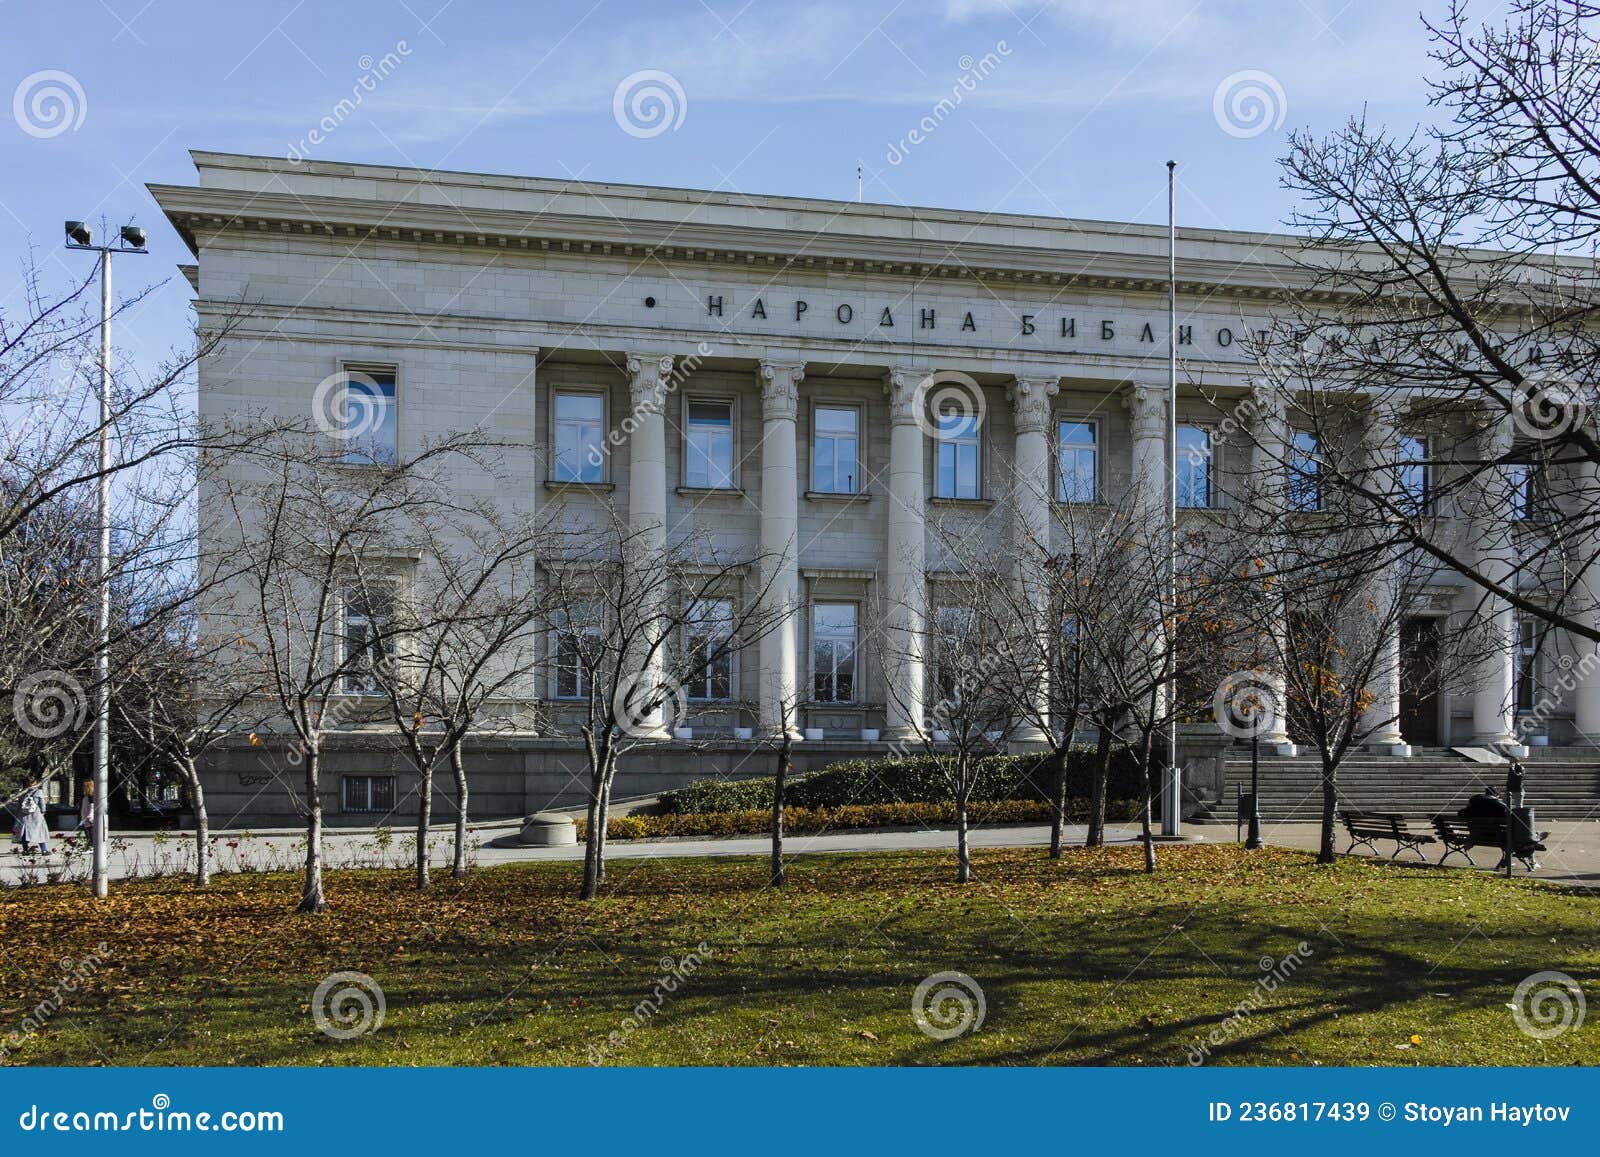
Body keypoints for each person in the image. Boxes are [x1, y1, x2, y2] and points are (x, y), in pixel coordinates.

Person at [12, 774, 50, 855]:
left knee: (24, 833)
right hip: (36, 815)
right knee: (40, 833)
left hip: (23, 816)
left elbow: (19, 805)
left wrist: (17, 814)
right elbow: (42, 805)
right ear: (35, 782)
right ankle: (44, 850)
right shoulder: (39, 792)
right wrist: (43, 812)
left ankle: (25, 850)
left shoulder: (22, 793)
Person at [78, 780, 96, 848]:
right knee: (87, 832)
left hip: (89, 818)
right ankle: (89, 845)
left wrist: (90, 816)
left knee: (90, 832)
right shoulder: (86, 796)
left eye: (85, 786)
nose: (83, 788)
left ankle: (92, 845)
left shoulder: (91, 796)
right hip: (85, 817)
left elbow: (92, 807)